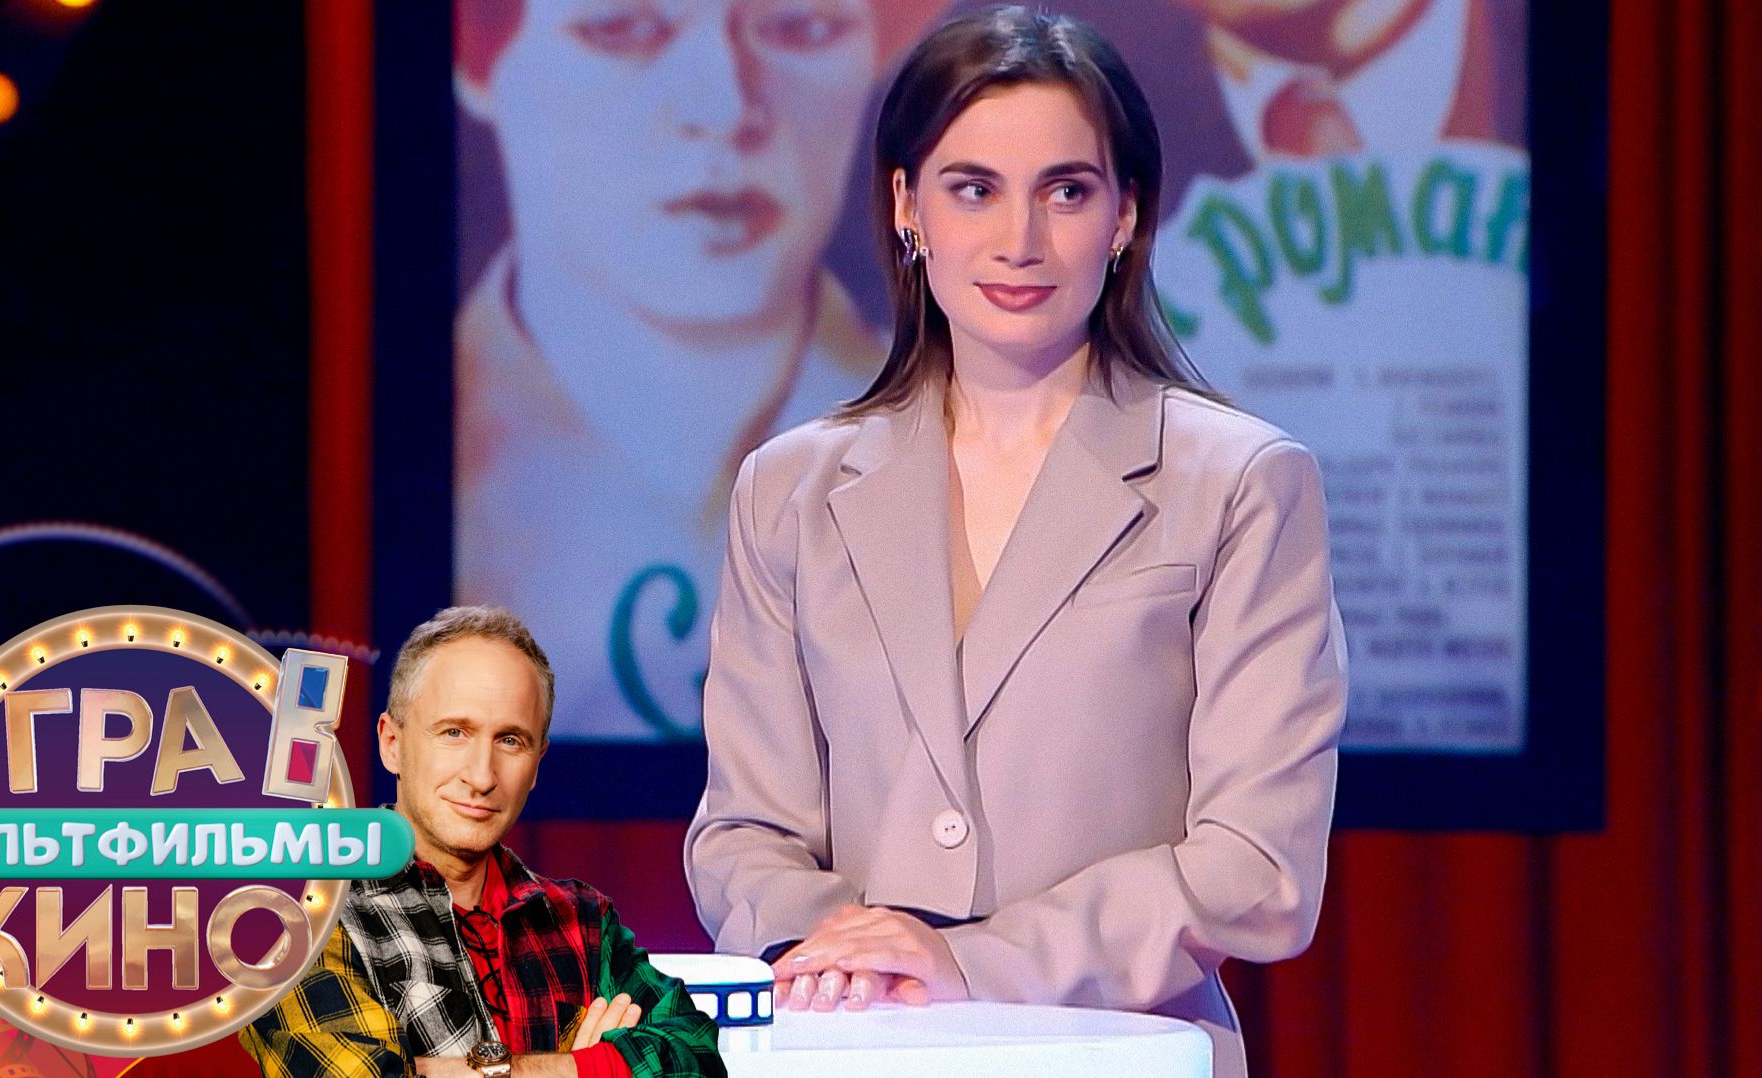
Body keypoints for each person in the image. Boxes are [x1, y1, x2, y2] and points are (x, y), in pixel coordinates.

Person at [683, 7, 1347, 1077]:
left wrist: (970, 962)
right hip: (851, 1049)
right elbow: (743, 834)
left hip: (1120, 1054)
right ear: (907, 206)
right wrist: (847, 952)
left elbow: (1258, 865)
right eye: (974, 188)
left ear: (1127, 214)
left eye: (1066, 191)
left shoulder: (1241, 484)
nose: (1019, 241)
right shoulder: (789, 490)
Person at [452, 0, 946, 740]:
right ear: (478, 54)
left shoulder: (972, 456)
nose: (725, 108)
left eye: (800, 29)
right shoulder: (388, 468)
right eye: (622, 30)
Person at [244, 606, 722, 1078]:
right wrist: (588, 1068)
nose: (481, 776)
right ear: (392, 743)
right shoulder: (304, 910)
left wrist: (445, 1070)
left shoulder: (583, 919)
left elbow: (697, 1052)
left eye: (510, 740)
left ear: (537, 763)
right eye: (454, 732)